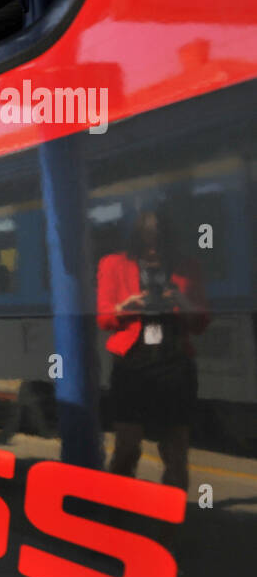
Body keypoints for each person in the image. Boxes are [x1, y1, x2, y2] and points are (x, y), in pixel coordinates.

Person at [97, 208, 209, 491]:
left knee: (176, 452)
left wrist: (182, 301)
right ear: (136, 239)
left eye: (157, 240)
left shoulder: (188, 267)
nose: (152, 247)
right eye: (146, 240)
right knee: (127, 447)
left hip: (175, 361)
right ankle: (116, 512)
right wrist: (126, 307)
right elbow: (104, 318)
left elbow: (200, 323)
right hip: (133, 361)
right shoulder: (113, 264)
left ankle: (170, 527)